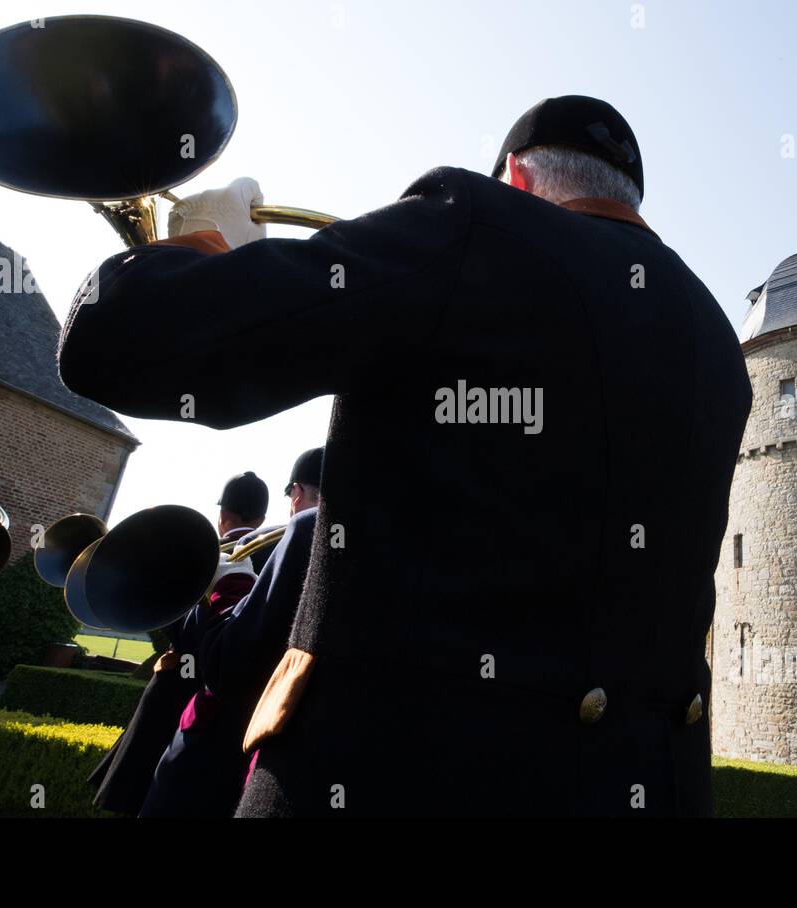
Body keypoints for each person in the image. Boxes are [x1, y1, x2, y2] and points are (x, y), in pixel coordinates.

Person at [59, 96, 753, 816]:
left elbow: (116, 341)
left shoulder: (476, 223)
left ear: (515, 175)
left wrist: (199, 245)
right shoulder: (715, 340)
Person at [138, 448, 322, 817]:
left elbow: (224, 660)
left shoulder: (293, 537)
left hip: (218, 735)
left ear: (296, 494)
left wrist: (218, 597)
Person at [86, 469, 269, 814]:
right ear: (261, 515)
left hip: (179, 699)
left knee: (146, 794)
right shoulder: (275, 554)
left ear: (223, 515)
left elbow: (167, 623)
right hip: (232, 712)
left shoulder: (205, 553)